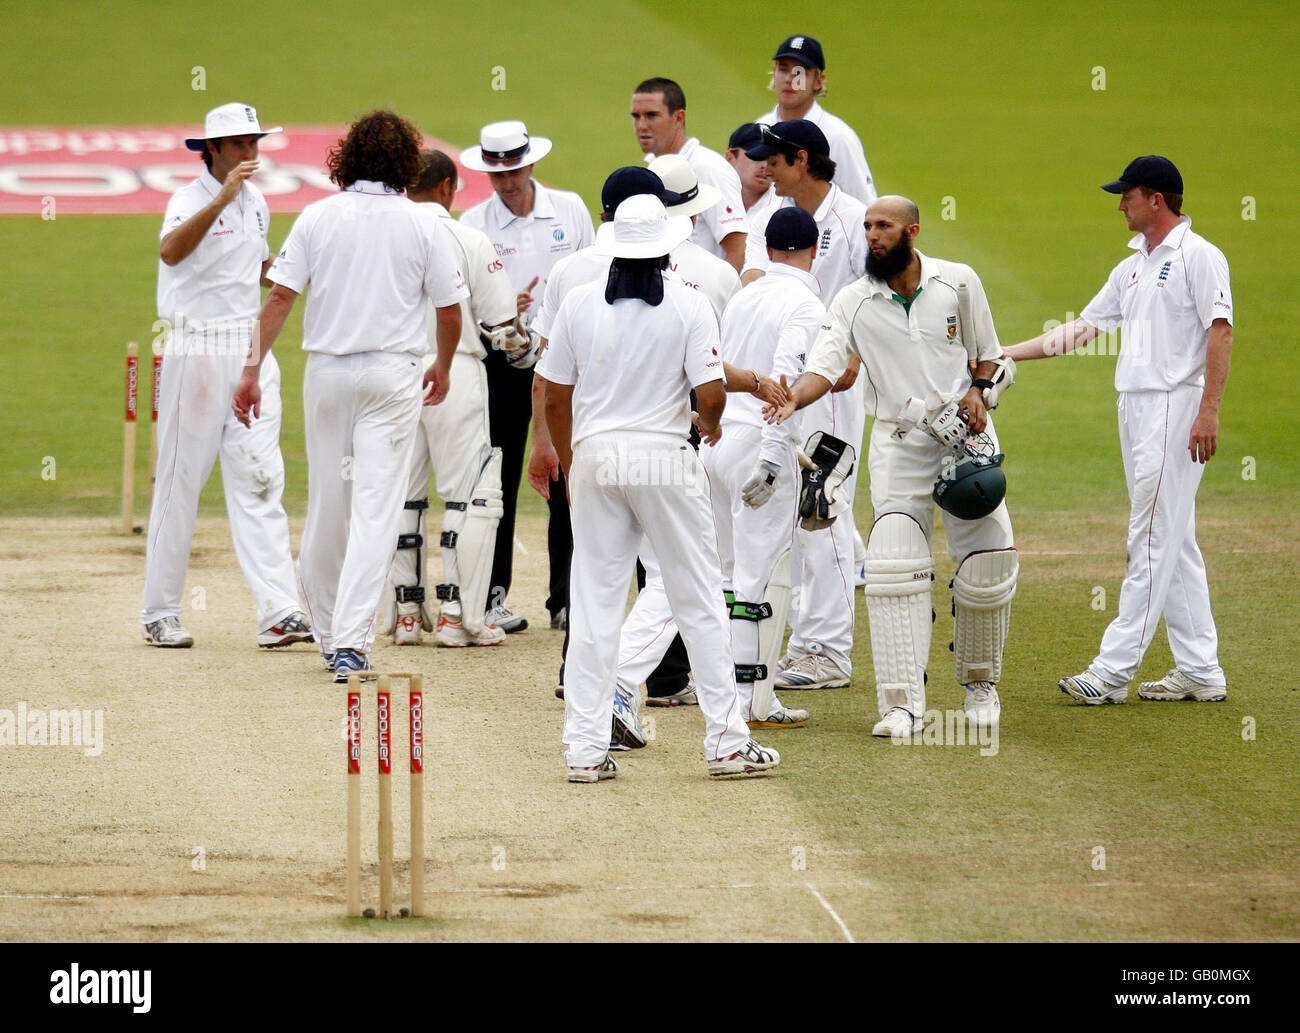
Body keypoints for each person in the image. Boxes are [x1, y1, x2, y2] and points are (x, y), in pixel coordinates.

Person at [536, 193, 780, 781]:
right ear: (670, 247)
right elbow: (712, 392)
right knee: (697, 597)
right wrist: (712, 427)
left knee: (594, 607)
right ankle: (725, 742)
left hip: (596, 458)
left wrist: (573, 464)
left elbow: (554, 395)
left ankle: (585, 751)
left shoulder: (576, 302)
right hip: (664, 458)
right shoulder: (690, 304)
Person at [766, 195, 1016, 737]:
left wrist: (979, 392)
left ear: (913, 231)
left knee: (988, 565)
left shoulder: (958, 283)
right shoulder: (853, 301)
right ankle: (902, 705)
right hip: (899, 439)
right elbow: (824, 367)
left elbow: (991, 355)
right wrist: (794, 399)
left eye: (884, 226)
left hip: (966, 436)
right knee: (893, 569)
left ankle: (979, 685)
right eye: (867, 226)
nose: (873, 235)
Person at [231, 110, 468, 682]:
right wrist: (441, 364)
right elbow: (450, 310)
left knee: (329, 507)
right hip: (393, 377)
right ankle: (349, 644)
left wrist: (249, 371)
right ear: (406, 164)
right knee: (376, 511)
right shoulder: (423, 224)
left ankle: (330, 632)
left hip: (329, 376)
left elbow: (280, 300)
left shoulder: (318, 216)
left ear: (349, 158)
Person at [1004, 156, 1233, 705]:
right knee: (1174, 539)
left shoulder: (1200, 257)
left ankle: (1111, 671)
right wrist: (1004, 353)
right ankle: (1201, 669)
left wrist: (1208, 410)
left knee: (1150, 538)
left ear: (1156, 199)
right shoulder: (1130, 266)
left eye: (1127, 195)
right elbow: (1085, 329)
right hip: (1135, 408)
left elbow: (1220, 333)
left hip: (1174, 408)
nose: (1120, 204)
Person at [143, 101, 311, 650]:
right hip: (195, 348)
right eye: (239, 143)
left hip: (249, 351)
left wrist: (297, 272)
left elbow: (254, 269)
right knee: (179, 481)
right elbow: (170, 252)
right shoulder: (188, 199)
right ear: (211, 149)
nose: (251, 152)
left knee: (260, 478)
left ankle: (279, 611)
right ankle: (160, 611)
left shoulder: (257, 203)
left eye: (255, 142)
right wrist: (220, 199)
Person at [744, 119, 868, 693]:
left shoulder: (854, 221)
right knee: (798, 515)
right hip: (785, 386)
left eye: (773, 158)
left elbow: (881, 295)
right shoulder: (775, 210)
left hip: (834, 391)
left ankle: (828, 650)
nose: (763, 166)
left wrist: (858, 357)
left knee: (828, 508)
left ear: (802, 158)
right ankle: (802, 641)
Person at [460, 121, 595, 634]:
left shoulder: (571, 209)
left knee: (565, 471)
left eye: (513, 170)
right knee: (497, 475)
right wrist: (499, 310)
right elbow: (460, 303)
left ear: (530, 164)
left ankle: (566, 598)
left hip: (564, 363)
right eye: (496, 174)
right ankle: (492, 595)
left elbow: (594, 274)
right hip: (502, 363)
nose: (507, 182)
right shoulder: (473, 223)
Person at [386, 149, 523, 648]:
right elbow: (503, 327)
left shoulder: (384, 238)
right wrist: (529, 357)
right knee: (472, 494)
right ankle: (457, 616)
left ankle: (404, 614)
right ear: (447, 187)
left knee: (402, 494)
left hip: (392, 373)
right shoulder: (468, 237)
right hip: (455, 369)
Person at [701, 207, 824, 729]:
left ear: (768, 250)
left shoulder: (744, 295)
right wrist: (775, 460)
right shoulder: (806, 303)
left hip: (720, 442)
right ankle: (755, 700)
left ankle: (728, 692)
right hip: (758, 446)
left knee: (728, 574)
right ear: (814, 251)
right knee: (764, 573)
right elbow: (785, 383)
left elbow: (721, 370)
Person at [630, 77, 748, 271]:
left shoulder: (708, 168)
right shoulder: (652, 168)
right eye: (636, 116)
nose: (641, 125)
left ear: (678, 118)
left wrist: (714, 298)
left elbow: (739, 249)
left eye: (651, 115)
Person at [755, 34, 876, 206]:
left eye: (800, 72)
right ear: (774, 73)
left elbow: (865, 207)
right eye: (783, 69)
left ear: (818, 81)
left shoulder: (837, 136)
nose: (790, 79)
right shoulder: (760, 127)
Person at [724, 123, 772, 212]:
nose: (765, 165)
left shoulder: (783, 206)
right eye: (756, 156)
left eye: (771, 158)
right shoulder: (711, 201)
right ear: (730, 158)